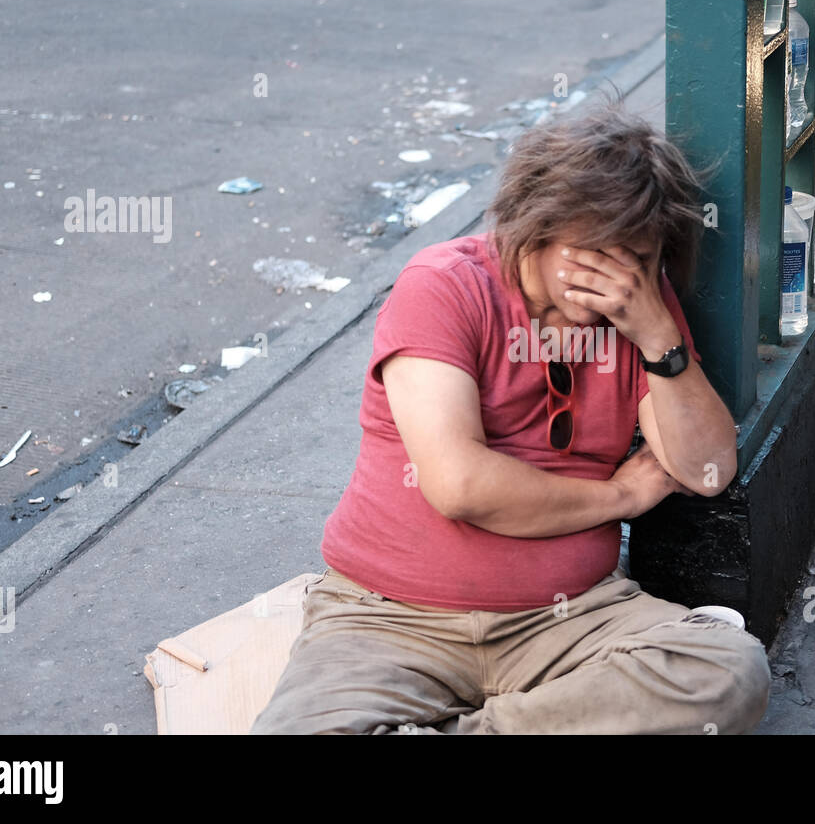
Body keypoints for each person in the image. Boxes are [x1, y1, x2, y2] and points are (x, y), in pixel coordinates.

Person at [251, 100, 773, 735]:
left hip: (571, 620)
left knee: (727, 672)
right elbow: (460, 485)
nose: (616, 279)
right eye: (594, 253)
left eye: (637, 259)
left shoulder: (638, 307)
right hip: (389, 619)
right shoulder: (443, 285)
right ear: (536, 226)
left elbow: (711, 470)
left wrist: (659, 337)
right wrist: (618, 496)